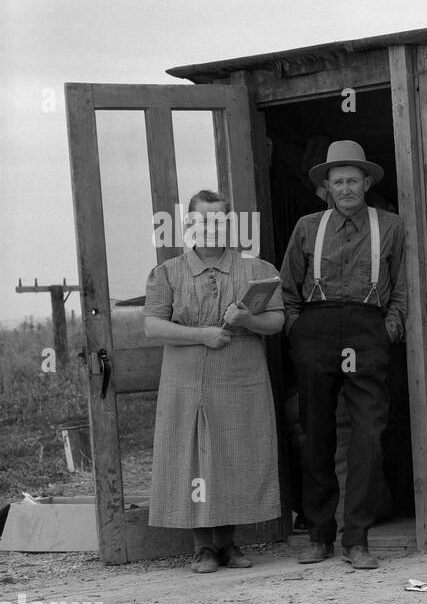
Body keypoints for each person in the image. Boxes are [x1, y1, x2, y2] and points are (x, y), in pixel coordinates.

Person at [279, 140, 407, 569]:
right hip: (317, 330)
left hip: (367, 330)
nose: (347, 187)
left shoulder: (390, 225)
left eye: (354, 179)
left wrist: (387, 331)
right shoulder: (306, 227)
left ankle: (358, 539)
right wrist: (298, 330)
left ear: (367, 182)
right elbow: (287, 289)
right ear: (326, 187)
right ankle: (319, 536)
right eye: (339, 181)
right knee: (317, 435)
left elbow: (403, 289)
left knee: (368, 436)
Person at [143, 190, 284, 573]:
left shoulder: (257, 270)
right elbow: (153, 326)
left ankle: (229, 543)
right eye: (201, 220)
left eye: (217, 220)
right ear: (189, 225)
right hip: (186, 376)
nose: (209, 228)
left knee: (233, 451)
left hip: (241, 375)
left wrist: (246, 321)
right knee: (193, 454)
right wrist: (202, 335)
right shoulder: (168, 272)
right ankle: (202, 547)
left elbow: (276, 322)